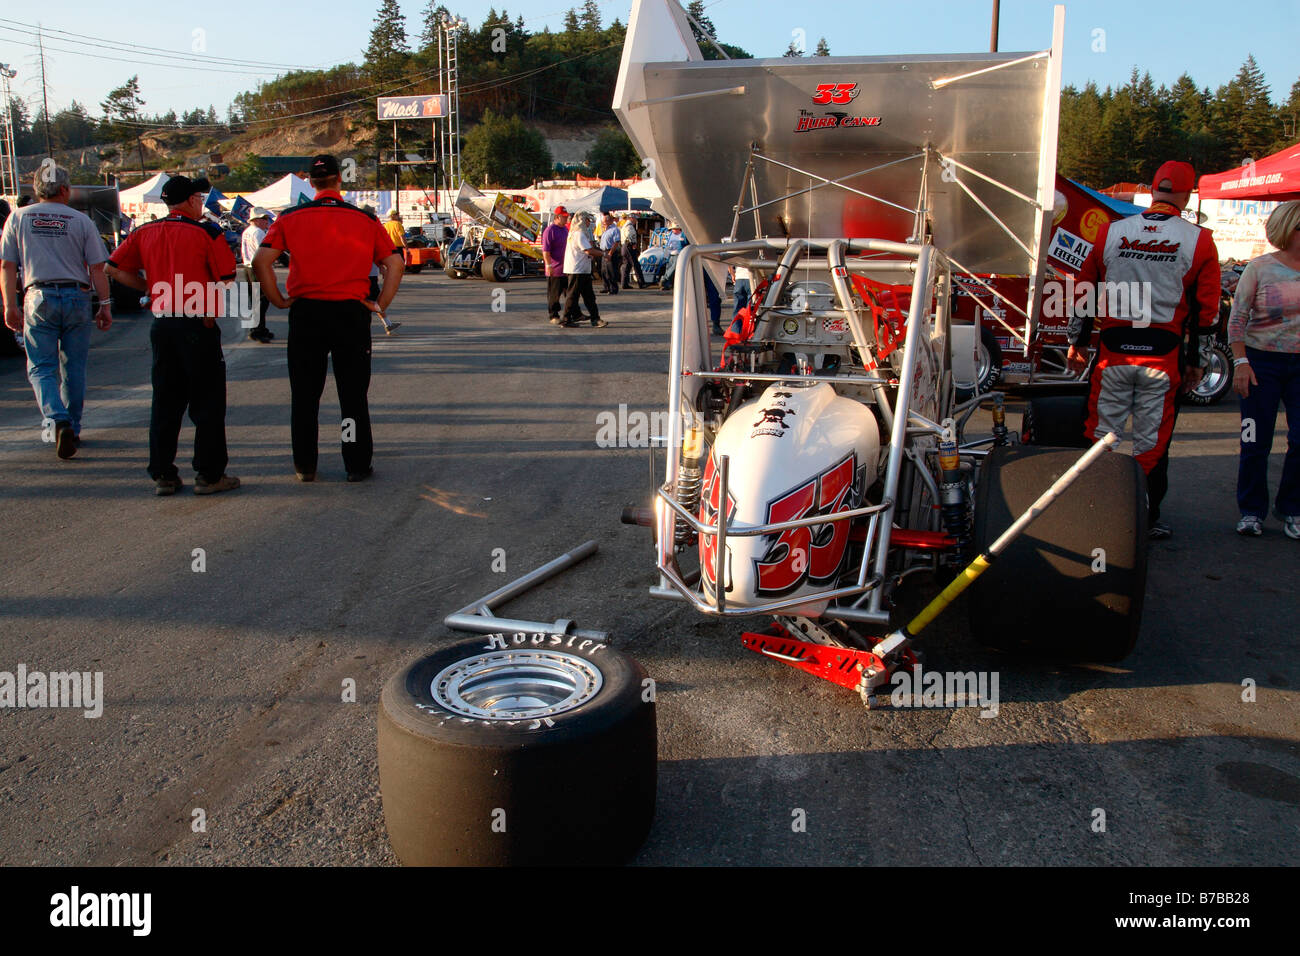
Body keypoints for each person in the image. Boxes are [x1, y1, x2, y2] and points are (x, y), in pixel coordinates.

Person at [1067, 161, 1219, 539]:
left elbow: (1085, 291)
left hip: (1113, 352)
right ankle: (1144, 518)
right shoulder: (1199, 239)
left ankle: (1095, 510)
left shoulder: (1110, 232)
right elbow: (1207, 311)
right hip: (1164, 357)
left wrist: (1077, 343)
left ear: (1154, 190)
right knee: (1153, 443)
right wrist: (1198, 362)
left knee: (1101, 436)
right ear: (1187, 195)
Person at [252, 154, 403, 483]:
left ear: (311, 182)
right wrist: (379, 304)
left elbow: (260, 261)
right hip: (350, 314)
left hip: (307, 313)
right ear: (339, 180)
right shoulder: (363, 220)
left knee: (305, 396)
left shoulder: (290, 218)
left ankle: (305, 465)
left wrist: (278, 300)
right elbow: (395, 263)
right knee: (351, 396)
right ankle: (355, 462)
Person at [106, 174, 241, 495]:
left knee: (165, 400)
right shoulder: (208, 231)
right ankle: (209, 475)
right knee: (207, 402)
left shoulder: (144, 231)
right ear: (193, 200)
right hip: (197, 324)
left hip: (162, 323)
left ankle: (163, 474)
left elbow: (112, 268)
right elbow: (227, 277)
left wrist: (149, 287)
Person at [1, 165, 113, 460]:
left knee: (40, 367)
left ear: (37, 189)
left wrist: (9, 305)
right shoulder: (80, 220)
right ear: (65, 190)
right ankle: (73, 427)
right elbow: (97, 268)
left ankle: (57, 418)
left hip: (38, 296)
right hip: (77, 295)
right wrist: (104, 305)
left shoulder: (18, 217)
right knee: (73, 367)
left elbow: (7, 265)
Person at [1227, 200, 1300, 539]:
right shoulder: (1260, 268)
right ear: (1289, 230)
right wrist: (1240, 362)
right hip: (1261, 362)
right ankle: (1251, 511)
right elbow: (1237, 319)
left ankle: (1292, 508)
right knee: (1255, 438)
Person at [561, 211, 606, 328]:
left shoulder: (574, 233)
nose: (589, 222)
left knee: (588, 296)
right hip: (578, 269)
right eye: (587, 220)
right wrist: (604, 254)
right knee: (573, 295)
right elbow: (588, 250)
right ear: (582, 220)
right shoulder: (579, 234)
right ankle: (566, 319)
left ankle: (595, 318)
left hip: (580, 269)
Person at [241, 207, 274, 343]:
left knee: (256, 300)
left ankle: (258, 328)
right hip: (257, 268)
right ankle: (257, 330)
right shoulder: (258, 233)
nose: (266, 221)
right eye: (264, 219)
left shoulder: (247, 231)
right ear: (257, 220)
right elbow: (264, 252)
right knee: (262, 300)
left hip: (248, 267)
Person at [541, 205, 570, 325]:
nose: (566, 219)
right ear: (557, 217)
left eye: (567, 217)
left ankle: (571, 313)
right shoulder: (550, 230)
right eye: (564, 217)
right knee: (554, 294)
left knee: (570, 293)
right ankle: (553, 314)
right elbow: (546, 251)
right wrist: (548, 265)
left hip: (566, 267)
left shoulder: (565, 229)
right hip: (555, 268)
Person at [620, 213, 646, 289]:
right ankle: (641, 283)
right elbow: (629, 235)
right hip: (629, 246)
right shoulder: (629, 226)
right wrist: (633, 243)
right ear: (631, 218)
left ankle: (624, 283)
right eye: (635, 219)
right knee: (635, 264)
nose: (636, 221)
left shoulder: (625, 226)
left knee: (627, 265)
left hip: (624, 247)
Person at [598, 211, 621, 294]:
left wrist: (610, 253)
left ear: (609, 221)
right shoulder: (605, 230)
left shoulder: (614, 230)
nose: (603, 223)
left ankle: (613, 288)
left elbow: (616, 242)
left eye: (604, 222)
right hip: (604, 251)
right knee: (604, 270)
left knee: (611, 271)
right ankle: (606, 286)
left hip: (610, 251)